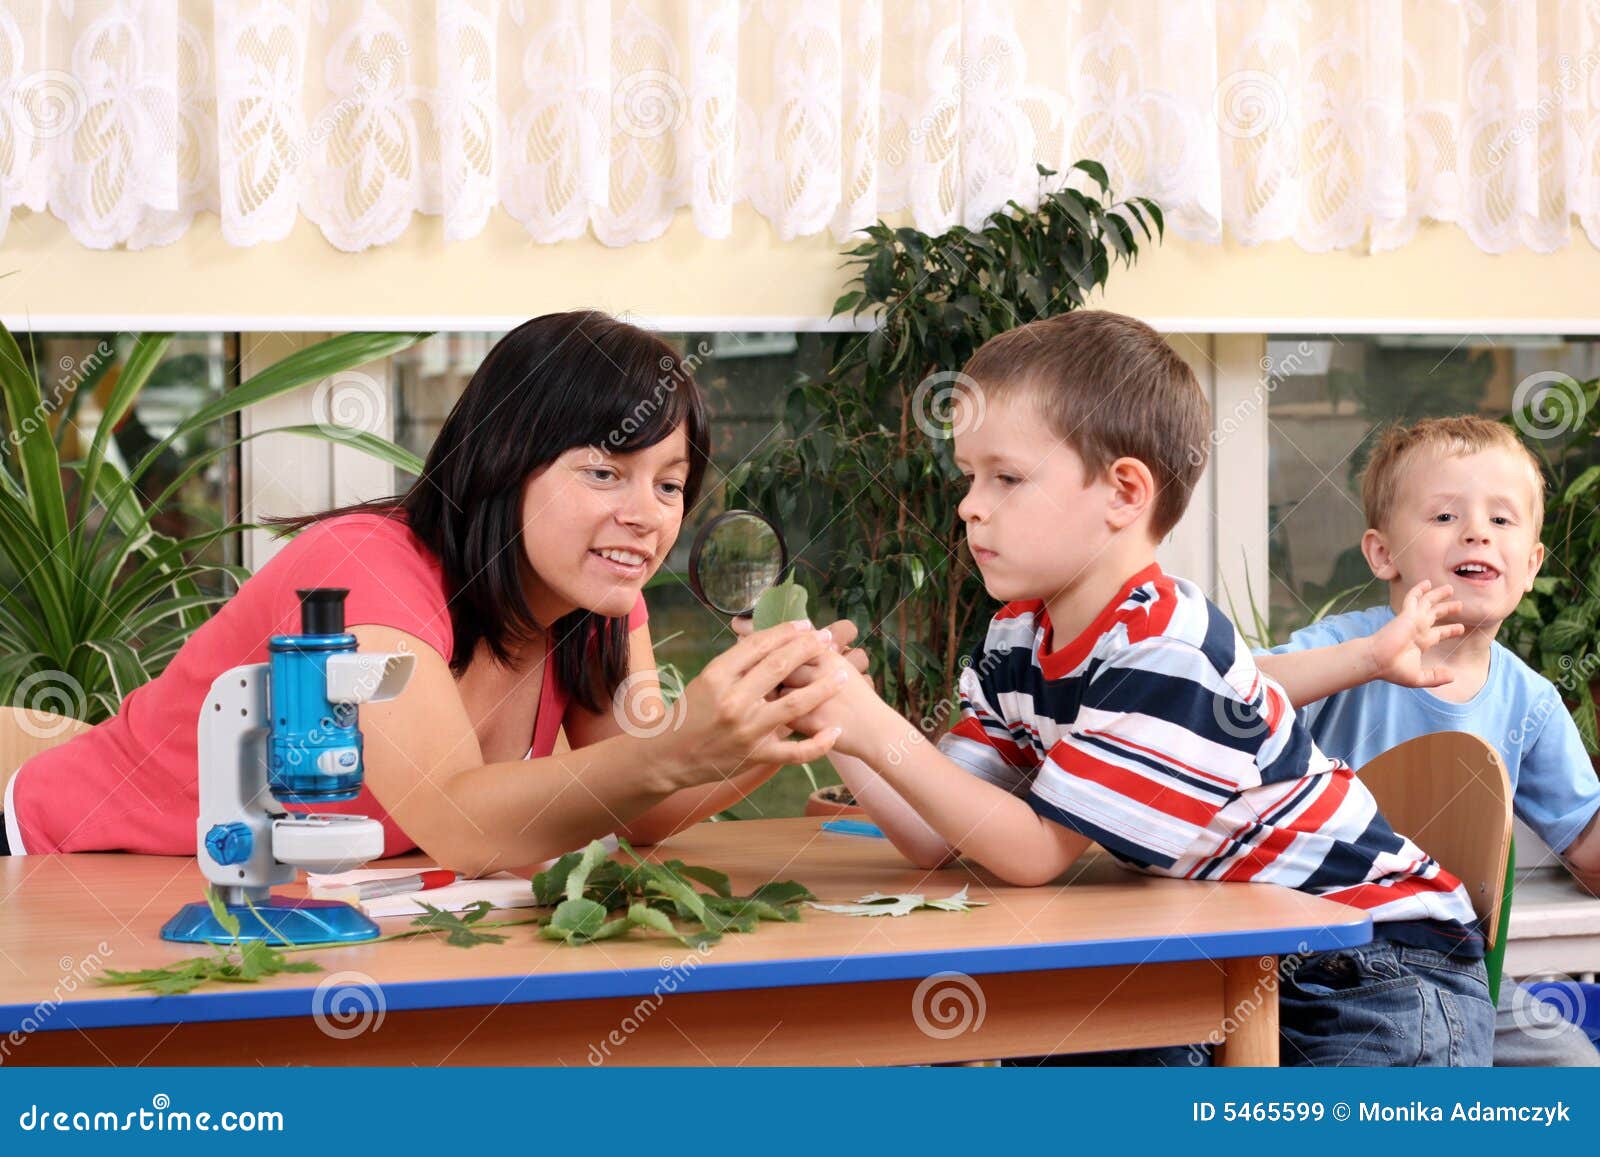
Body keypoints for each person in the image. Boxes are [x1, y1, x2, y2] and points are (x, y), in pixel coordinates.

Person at [785, 310, 1494, 1065]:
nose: (969, 504)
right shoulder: (1018, 639)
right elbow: (936, 836)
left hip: (1377, 964)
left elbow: (1031, 853)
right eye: (969, 477)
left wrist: (872, 720)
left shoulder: (1166, 645)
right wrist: (840, 724)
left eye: (1006, 477)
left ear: (1124, 492)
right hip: (1225, 953)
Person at [3, 312, 858, 875]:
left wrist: (765, 729)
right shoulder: (367, 571)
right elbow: (459, 820)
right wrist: (676, 745)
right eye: (605, 472)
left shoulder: (598, 606)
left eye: (670, 486)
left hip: (250, 905)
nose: (646, 516)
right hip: (65, 867)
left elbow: (645, 806)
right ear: (503, 458)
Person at [1256, 415, 1600, 1066]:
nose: (1476, 530)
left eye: (1502, 520)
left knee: (1574, 1070)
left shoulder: (1531, 700)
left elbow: (1589, 852)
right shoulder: (1345, 649)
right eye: (1445, 516)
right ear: (1383, 553)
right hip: (1320, 965)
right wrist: (1364, 660)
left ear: (1529, 566)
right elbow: (1234, 692)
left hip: (1454, 968)